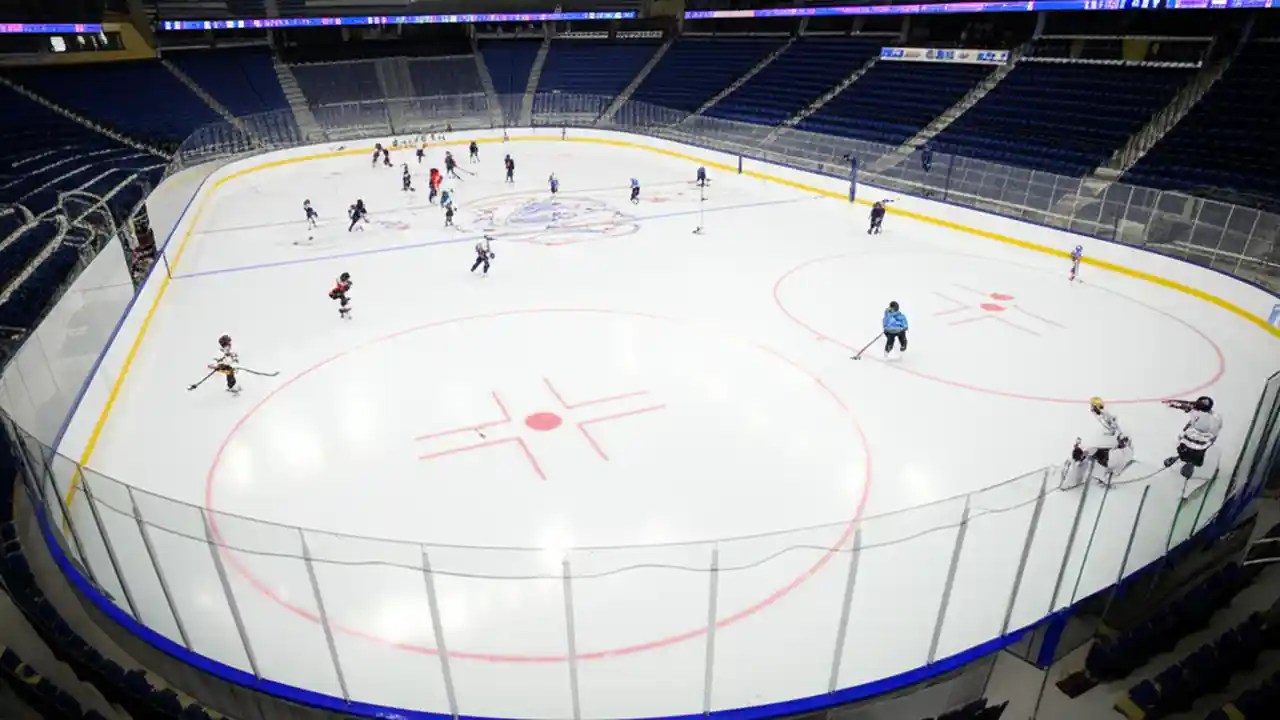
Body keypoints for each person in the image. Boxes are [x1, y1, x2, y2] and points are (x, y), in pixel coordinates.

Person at [1163, 397, 1222, 479]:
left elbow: (1185, 406)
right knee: (1197, 453)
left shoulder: (1195, 412)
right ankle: (1191, 463)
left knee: (1183, 445)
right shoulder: (1217, 417)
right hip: (1202, 445)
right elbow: (1215, 433)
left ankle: (1178, 457)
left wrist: (1172, 404)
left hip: (1187, 441)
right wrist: (1209, 443)